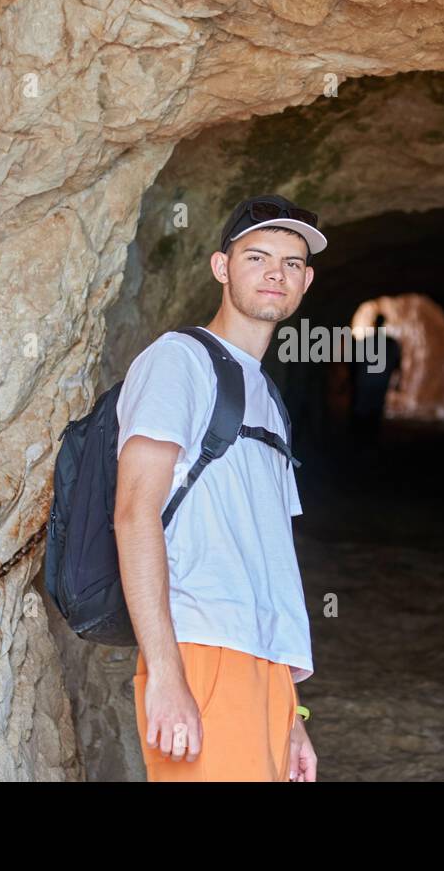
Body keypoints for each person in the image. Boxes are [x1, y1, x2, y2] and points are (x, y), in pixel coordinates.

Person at [113, 194, 324, 781]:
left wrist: (291, 714)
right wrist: (166, 673)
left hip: (262, 664)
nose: (275, 273)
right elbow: (133, 512)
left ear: (305, 281)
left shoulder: (268, 399)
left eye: (290, 263)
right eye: (256, 257)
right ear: (221, 267)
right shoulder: (178, 362)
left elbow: (269, 562)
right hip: (200, 650)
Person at [349, 313, 402, 448]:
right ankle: (369, 442)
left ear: (374, 323)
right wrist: (398, 382)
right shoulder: (391, 344)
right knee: (374, 412)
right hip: (380, 382)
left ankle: (359, 442)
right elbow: (398, 365)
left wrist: (351, 380)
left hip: (364, 382)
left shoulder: (365, 342)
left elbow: (353, 362)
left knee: (362, 411)